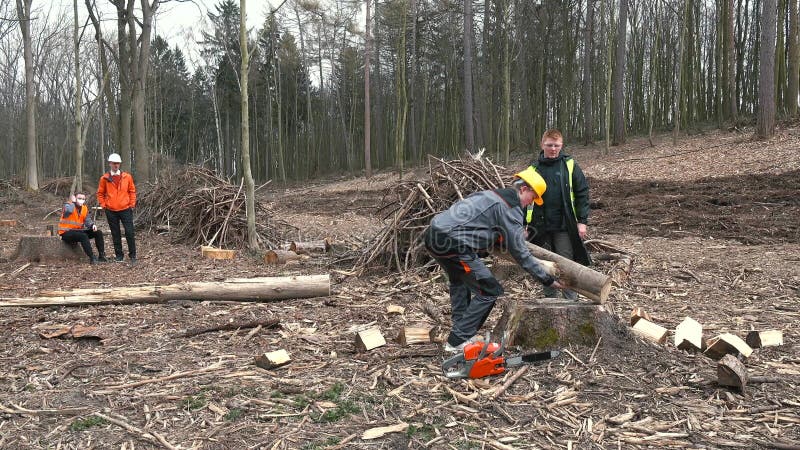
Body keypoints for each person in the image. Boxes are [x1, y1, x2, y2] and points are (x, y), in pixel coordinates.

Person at [424, 169, 564, 352]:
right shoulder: (511, 208)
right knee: (489, 289)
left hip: (434, 234)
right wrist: (546, 279)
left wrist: (504, 235)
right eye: (533, 196)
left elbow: (479, 223)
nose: (532, 203)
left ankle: (461, 335)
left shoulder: (491, 194)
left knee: (460, 281)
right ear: (523, 189)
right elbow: (520, 253)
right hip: (453, 244)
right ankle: (457, 340)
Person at [524, 129, 591, 300]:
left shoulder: (569, 165)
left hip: (564, 224)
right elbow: (523, 200)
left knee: (566, 263)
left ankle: (571, 301)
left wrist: (582, 221)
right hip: (539, 226)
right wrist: (522, 224)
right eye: (549, 145)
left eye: (556, 145)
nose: (553, 149)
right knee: (543, 265)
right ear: (542, 145)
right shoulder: (533, 168)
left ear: (561, 145)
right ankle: (549, 300)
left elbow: (582, 193)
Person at [97, 153, 137, 264]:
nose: (116, 165)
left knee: (129, 232)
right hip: (111, 210)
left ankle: (133, 255)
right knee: (115, 233)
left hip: (126, 209)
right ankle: (119, 256)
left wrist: (132, 204)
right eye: (114, 163)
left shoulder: (127, 177)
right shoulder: (104, 179)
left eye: (118, 163)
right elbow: (100, 193)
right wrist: (104, 205)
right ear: (110, 164)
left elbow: (132, 191)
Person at [59, 192, 107, 264]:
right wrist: (73, 202)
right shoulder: (68, 205)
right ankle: (92, 258)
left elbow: (87, 220)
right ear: (75, 198)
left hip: (78, 231)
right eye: (79, 198)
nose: (81, 200)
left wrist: (92, 225)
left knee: (98, 232)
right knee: (83, 236)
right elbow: (68, 211)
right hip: (66, 233)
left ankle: (102, 256)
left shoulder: (84, 208)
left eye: (83, 199)